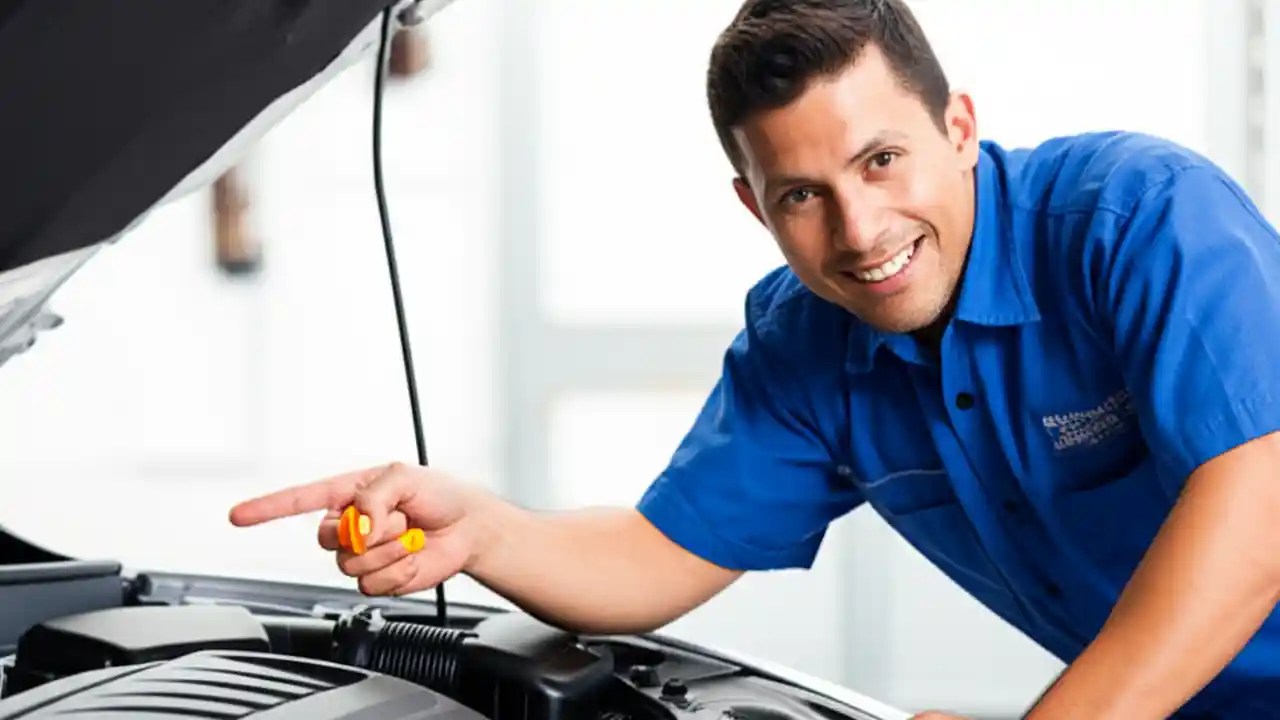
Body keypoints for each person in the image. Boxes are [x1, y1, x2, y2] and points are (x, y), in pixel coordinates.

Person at [228, 0, 1280, 717]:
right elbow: (655, 555)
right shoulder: (804, 344)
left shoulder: (1135, 215)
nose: (860, 230)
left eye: (881, 160)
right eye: (801, 195)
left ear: (957, 127)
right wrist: (486, 532)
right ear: (753, 206)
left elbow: (1258, 506)